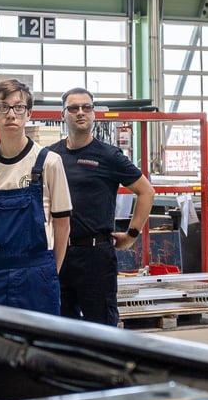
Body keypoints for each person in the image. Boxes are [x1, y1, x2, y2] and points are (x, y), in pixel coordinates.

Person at [49, 87, 155, 326]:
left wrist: (132, 234)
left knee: (102, 329)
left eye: (86, 107)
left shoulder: (109, 156)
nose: (80, 113)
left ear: (94, 113)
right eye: (73, 108)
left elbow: (146, 191)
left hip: (96, 257)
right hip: (58, 254)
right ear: (62, 114)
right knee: (59, 328)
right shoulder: (50, 156)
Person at [0, 79, 72, 314]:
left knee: (39, 345)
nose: (11, 114)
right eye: (2, 107)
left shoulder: (49, 163)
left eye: (18, 107)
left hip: (37, 274)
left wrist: (50, 271)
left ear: (29, 114)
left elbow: (63, 224)